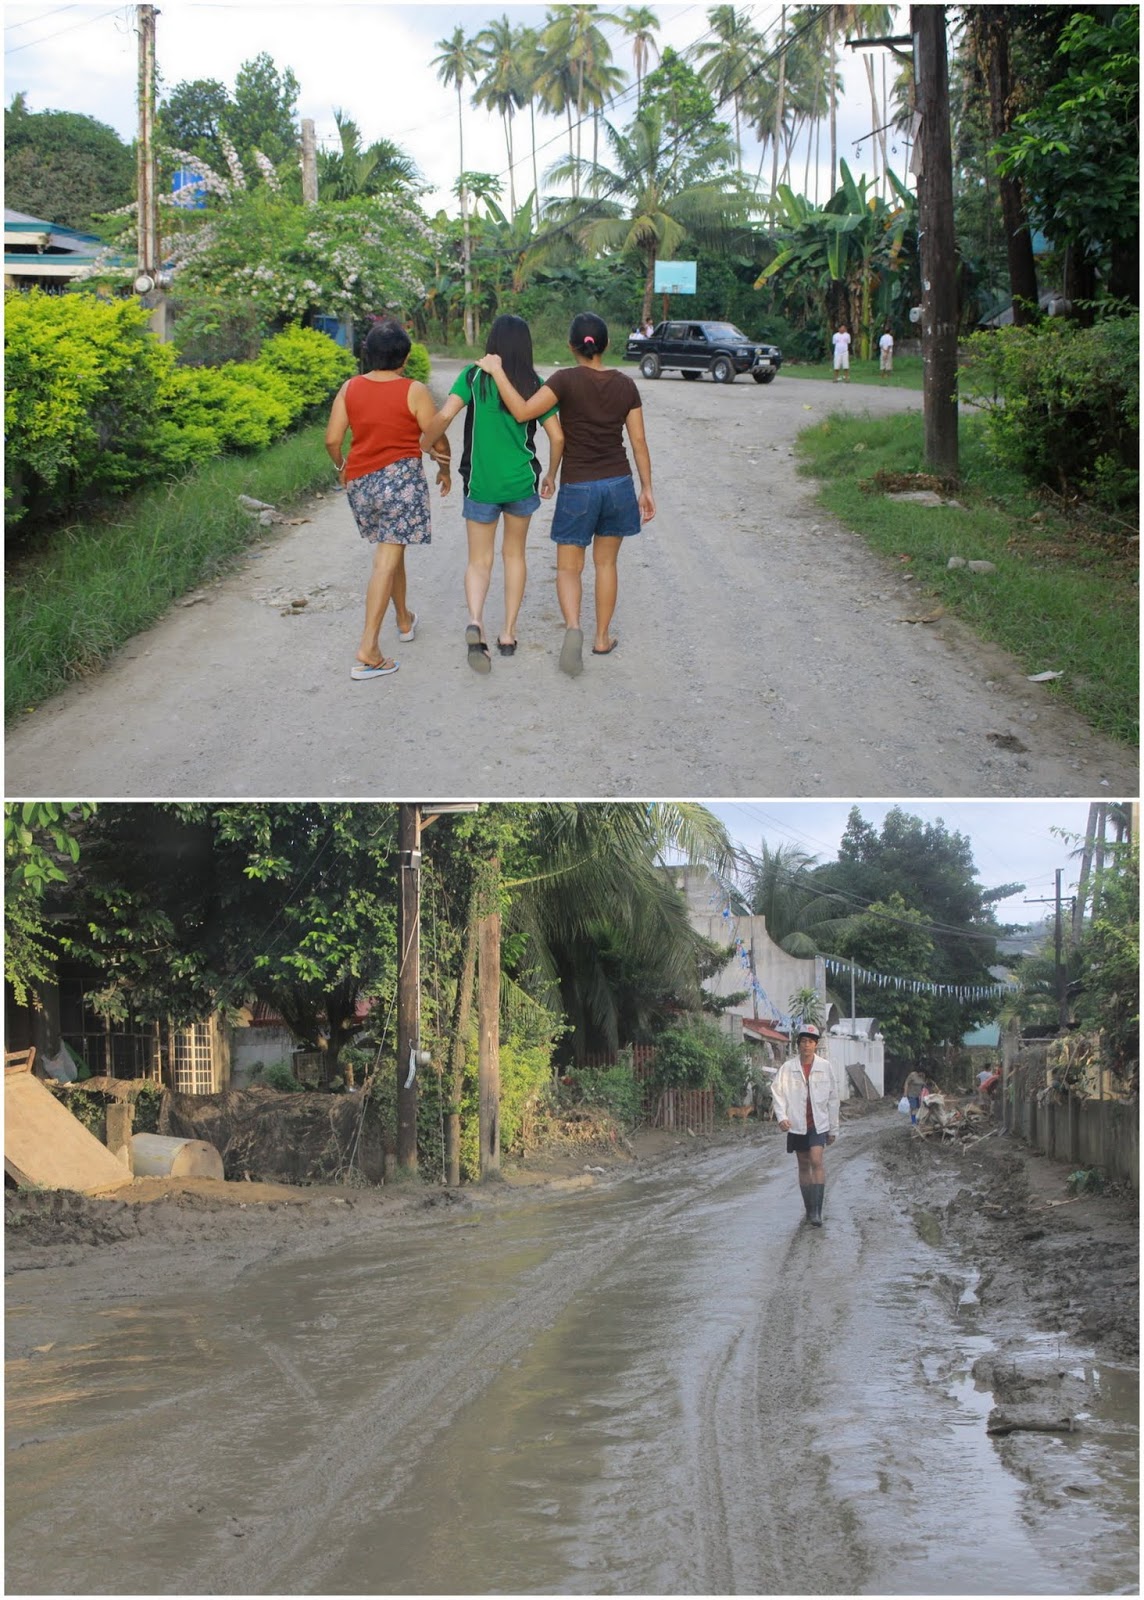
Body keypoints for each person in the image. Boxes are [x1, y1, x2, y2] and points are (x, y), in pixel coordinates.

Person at [475, 311, 654, 676]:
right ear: (604, 345)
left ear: (571, 346)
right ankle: (602, 638)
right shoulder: (625, 384)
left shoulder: (564, 380)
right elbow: (638, 441)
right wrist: (647, 487)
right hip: (619, 484)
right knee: (606, 564)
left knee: (569, 569)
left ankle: (574, 628)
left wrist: (497, 372)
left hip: (579, 487)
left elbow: (523, 411)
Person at [419, 315, 563, 673]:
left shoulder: (473, 377)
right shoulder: (536, 384)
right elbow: (558, 437)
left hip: (481, 484)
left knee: (478, 560)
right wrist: (551, 475)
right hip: (520, 482)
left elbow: (445, 416)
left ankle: (475, 623)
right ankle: (509, 634)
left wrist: (425, 443)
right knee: (514, 555)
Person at [325, 319, 450, 681]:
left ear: (367, 354)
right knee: (386, 558)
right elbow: (435, 436)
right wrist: (445, 468)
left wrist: (341, 467)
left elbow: (333, 440)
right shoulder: (414, 390)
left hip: (361, 483)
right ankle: (369, 649)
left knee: (392, 549)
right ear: (406, 357)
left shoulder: (349, 388)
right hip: (400, 483)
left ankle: (403, 619)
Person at [770, 1024, 839, 1226]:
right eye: (803, 1041)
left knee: (816, 1160)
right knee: (803, 1164)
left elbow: (833, 1099)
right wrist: (781, 1116)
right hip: (797, 1123)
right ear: (798, 1044)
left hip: (818, 1123)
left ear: (816, 1045)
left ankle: (817, 1211)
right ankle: (809, 1209)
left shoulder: (825, 1067)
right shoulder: (788, 1068)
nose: (806, 1045)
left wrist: (833, 1128)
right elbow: (777, 1092)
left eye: (810, 1042)